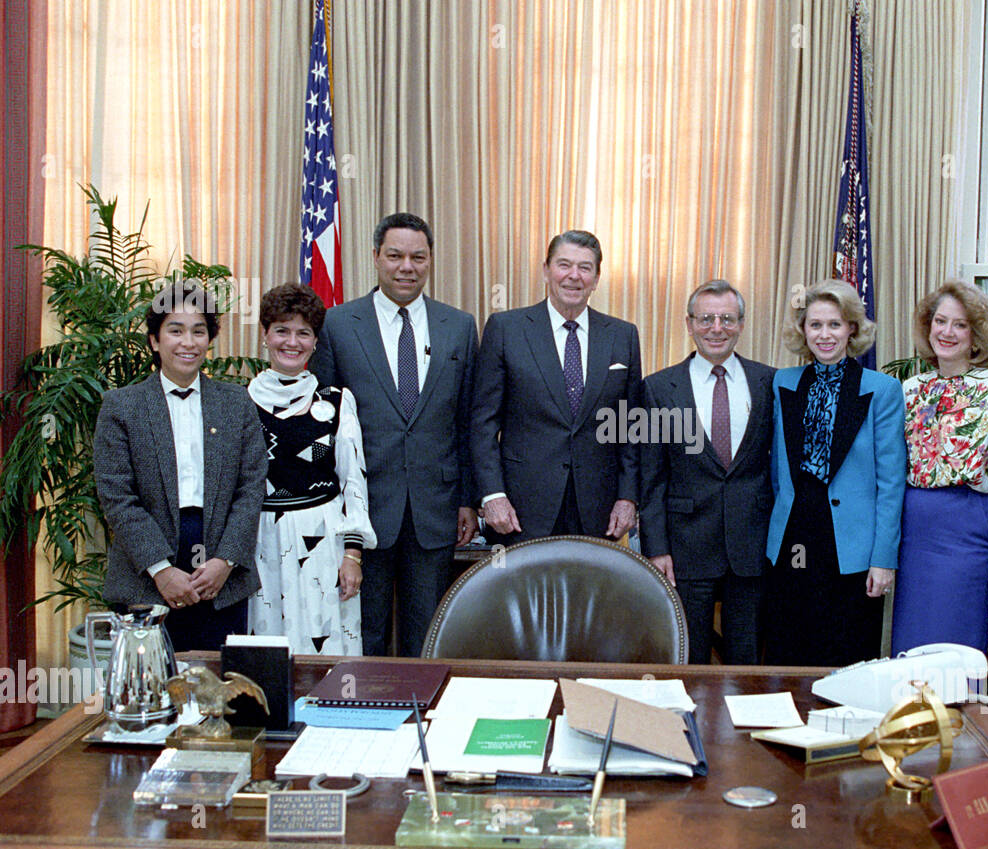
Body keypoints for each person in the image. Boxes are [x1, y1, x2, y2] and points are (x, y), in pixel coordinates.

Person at [311, 213, 478, 657]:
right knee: (364, 630)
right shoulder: (338, 324)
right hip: (363, 510)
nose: (407, 266)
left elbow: (466, 422)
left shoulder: (459, 326)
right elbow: (322, 424)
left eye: (418, 257)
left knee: (427, 634)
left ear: (430, 261)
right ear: (375, 258)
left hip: (435, 508)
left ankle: (424, 719)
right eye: (396, 256)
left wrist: (466, 499)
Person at [93, 280, 267, 652]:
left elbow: (252, 489)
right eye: (176, 330)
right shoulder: (122, 406)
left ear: (209, 339)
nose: (188, 342)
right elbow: (117, 497)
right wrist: (161, 570)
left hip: (221, 564)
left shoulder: (237, 403)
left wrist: (225, 561)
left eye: (198, 331)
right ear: (155, 340)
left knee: (220, 688)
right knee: (155, 690)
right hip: (147, 566)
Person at [764, 279, 906, 666]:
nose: (824, 335)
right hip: (792, 538)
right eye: (815, 325)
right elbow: (776, 471)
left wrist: (884, 558)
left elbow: (891, 484)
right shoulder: (781, 383)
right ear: (802, 330)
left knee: (847, 658)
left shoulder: (882, 390)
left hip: (851, 547)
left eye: (835, 324)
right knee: (788, 652)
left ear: (852, 329)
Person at [471, 230, 641, 544]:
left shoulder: (623, 336)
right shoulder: (506, 329)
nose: (574, 276)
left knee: (591, 593)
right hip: (520, 509)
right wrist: (492, 494)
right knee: (525, 594)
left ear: (597, 277)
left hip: (599, 511)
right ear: (546, 269)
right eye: (564, 265)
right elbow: (482, 424)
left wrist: (627, 497)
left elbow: (629, 429)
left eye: (585, 267)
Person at [640, 280, 776, 664]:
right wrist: (657, 547)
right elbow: (651, 477)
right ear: (689, 324)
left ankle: (744, 725)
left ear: (741, 324)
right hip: (685, 546)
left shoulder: (770, 383)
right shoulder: (658, 389)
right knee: (689, 658)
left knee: (747, 658)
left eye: (727, 319)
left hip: (752, 544)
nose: (717, 328)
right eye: (706, 319)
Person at [247, 283, 377, 655]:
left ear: (315, 342)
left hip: (326, 541)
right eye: (282, 331)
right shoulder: (239, 403)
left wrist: (352, 555)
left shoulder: (337, 402)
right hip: (261, 544)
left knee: (330, 650)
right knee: (268, 653)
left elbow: (354, 482)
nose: (292, 342)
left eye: (303, 332)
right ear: (265, 335)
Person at [891, 281, 988, 654]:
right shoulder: (909, 388)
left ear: (976, 335)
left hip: (968, 528)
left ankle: (961, 714)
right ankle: (911, 714)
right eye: (940, 321)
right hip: (914, 531)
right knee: (911, 640)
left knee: (957, 641)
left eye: (959, 325)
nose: (947, 332)